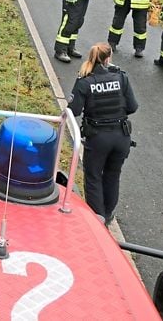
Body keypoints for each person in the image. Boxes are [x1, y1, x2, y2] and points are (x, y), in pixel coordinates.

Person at [68, 43, 137, 224]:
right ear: (108, 59)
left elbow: (73, 110)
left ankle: (96, 219)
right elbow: (132, 107)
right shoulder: (121, 77)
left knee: (93, 177)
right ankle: (107, 214)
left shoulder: (85, 81)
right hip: (121, 136)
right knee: (113, 175)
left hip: (98, 138)